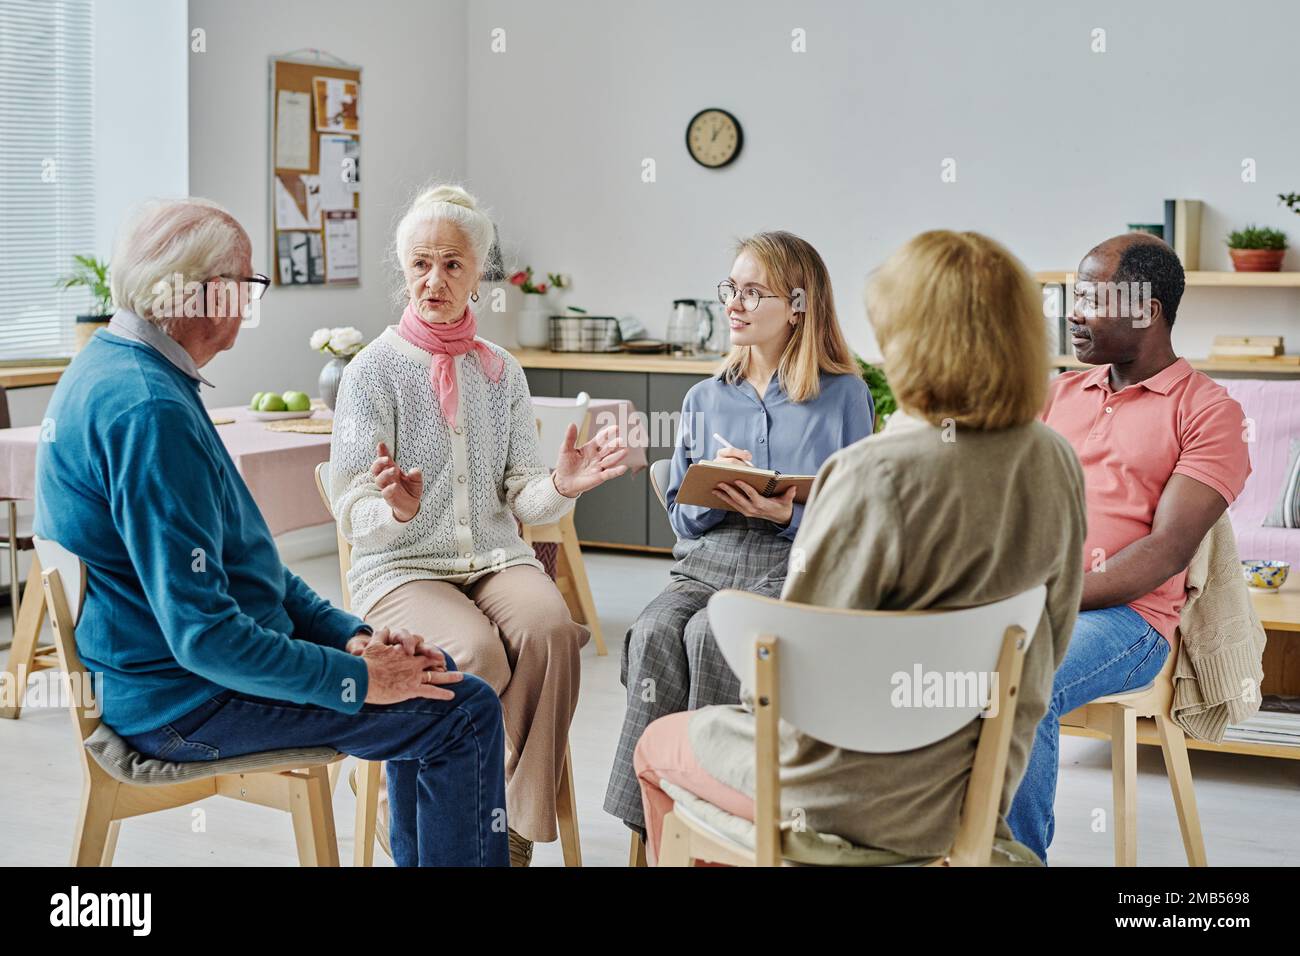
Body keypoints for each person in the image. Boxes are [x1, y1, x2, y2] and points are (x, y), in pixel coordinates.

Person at [35, 197, 508, 867]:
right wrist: (356, 678)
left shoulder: (127, 371)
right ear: (203, 294)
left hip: (173, 679)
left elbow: (255, 572)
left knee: (436, 679)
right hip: (182, 704)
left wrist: (356, 639)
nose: (252, 305)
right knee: (461, 710)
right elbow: (206, 637)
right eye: (248, 285)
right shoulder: (150, 412)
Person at [632, 230, 1089, 864]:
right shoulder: (1056, 461)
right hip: (973, 789)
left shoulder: (875, 473)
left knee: (657, 743)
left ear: (910, 343)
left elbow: (796, 675)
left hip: (839, 799)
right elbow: (1053, 636)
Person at [329, 184, 628, 867]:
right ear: (403, 269)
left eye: (452, 265)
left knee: (552, 631)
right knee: (479, 655)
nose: (434, 279)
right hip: (400, 565)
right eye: (420, 264)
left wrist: (560, 487)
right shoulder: (372, 371)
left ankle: (511, 825)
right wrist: (393, 510)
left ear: (478, 274)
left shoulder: (502, 371)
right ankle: (385, 798)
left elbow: (523, 498)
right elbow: (349, 505)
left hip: (494, 556)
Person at [603, 230, 875, 836]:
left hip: (795, 563)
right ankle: (650, 826)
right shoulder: (704, 397)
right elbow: (682, 517)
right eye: (733, 288)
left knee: (708, 635)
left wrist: (787, 514)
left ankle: (714, 822)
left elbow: (859, 515)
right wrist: (716, 491)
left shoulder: (845, 396)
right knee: (651, 630)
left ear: (799, 306)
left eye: (755, 292)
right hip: (709, 557)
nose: (735, 304)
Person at [1007, 233, 1252, 862]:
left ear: (1146, 309)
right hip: (1025, 598)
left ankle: (1011, 859)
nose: (1072, 311)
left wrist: (1046, 598)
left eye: (1090, 296)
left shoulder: (1209, 412)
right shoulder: (1057, 394)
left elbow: (1166, 551)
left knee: (1022, 674)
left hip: (1129, 620)